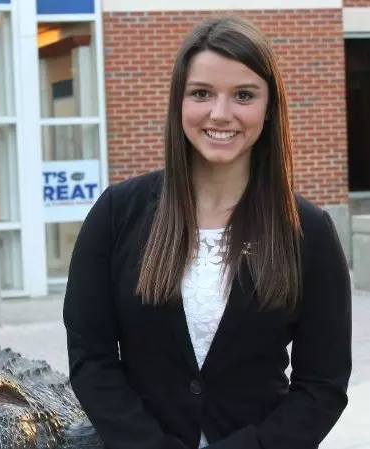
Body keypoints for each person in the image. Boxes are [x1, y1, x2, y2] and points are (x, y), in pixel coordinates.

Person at [63, 15, 352, 449]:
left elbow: (322, 385)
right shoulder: (116, 214)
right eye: (202, 93)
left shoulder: (307, 230)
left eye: (243, 95)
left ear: (269, 107)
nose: (221, 113)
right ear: (179, 102)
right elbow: (92, 361)